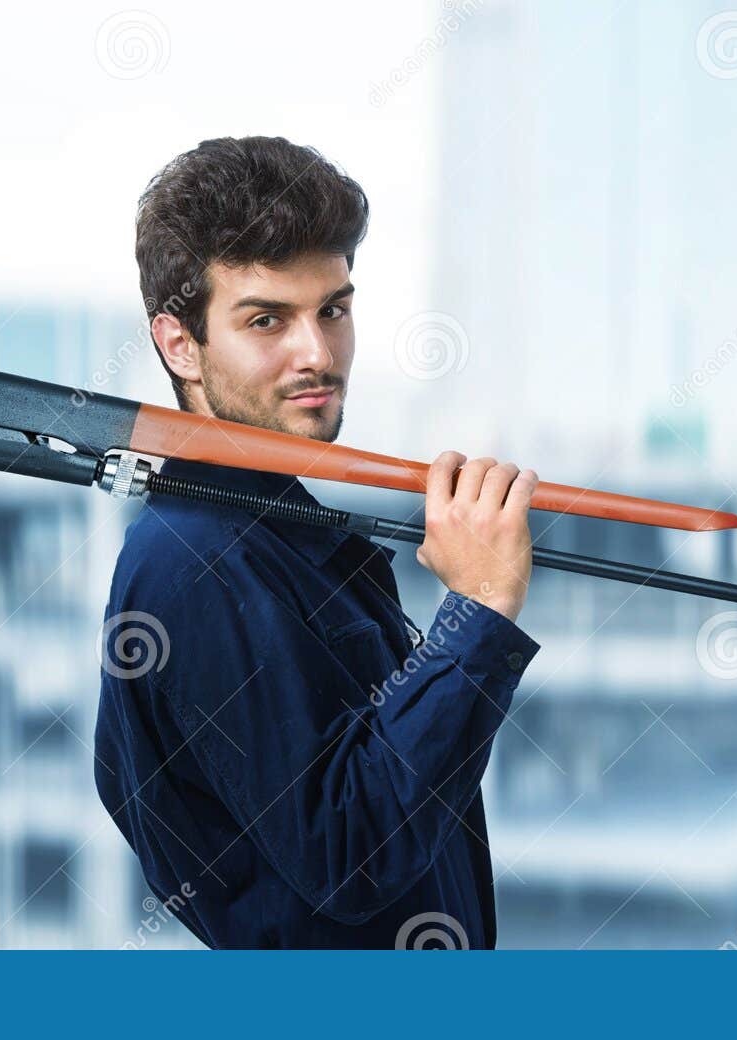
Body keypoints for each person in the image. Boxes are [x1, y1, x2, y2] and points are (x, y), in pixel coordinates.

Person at [93, 136, 541, 949]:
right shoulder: (196, 566)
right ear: (178, 343)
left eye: (333, 309)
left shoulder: (280, 527)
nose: (318, 354)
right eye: (268, 320)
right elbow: (352, 852)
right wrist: (475, 611)